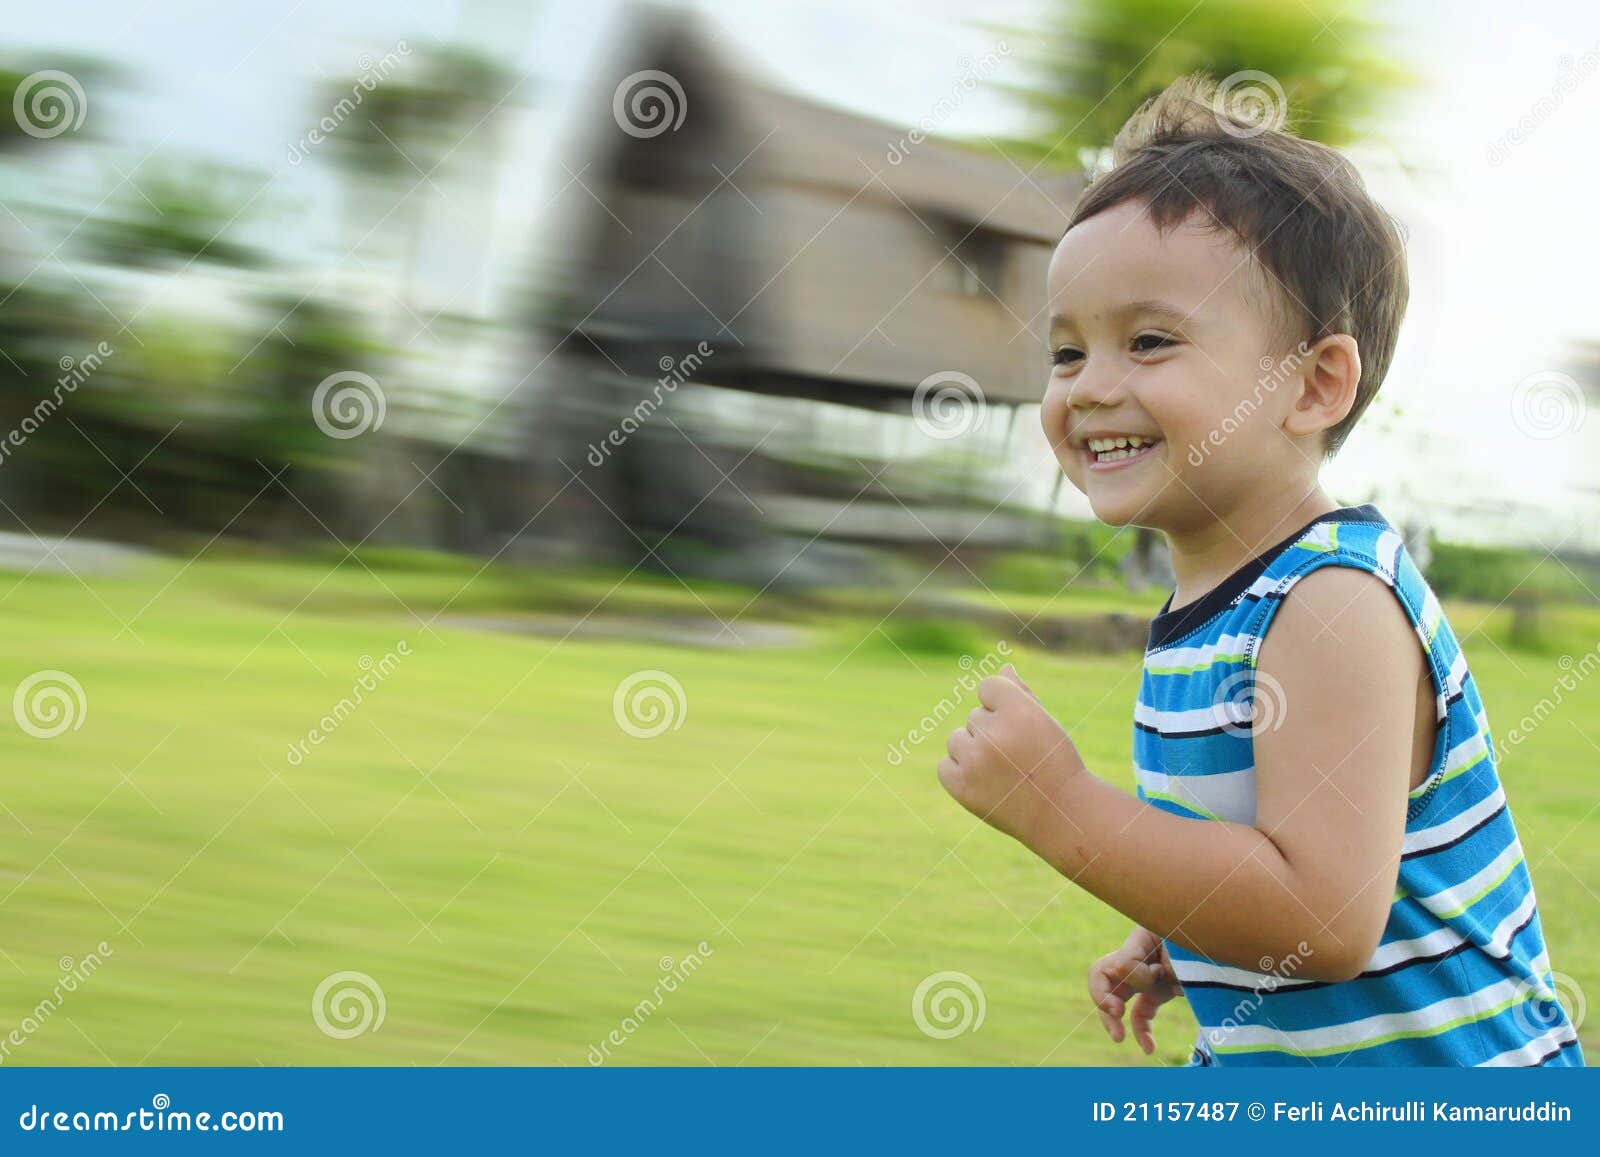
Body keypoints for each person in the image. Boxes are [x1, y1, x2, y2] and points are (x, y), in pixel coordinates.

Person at [936, 74, 1583, 1067]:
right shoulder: (1214, 604)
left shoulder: (1329, 603)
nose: (1093, 386)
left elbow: (1322, 917)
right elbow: (1269, 838)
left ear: (1314, 384)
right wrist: (1178, 928)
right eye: (1066, 353)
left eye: (1149, 341)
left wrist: (1058, 802)